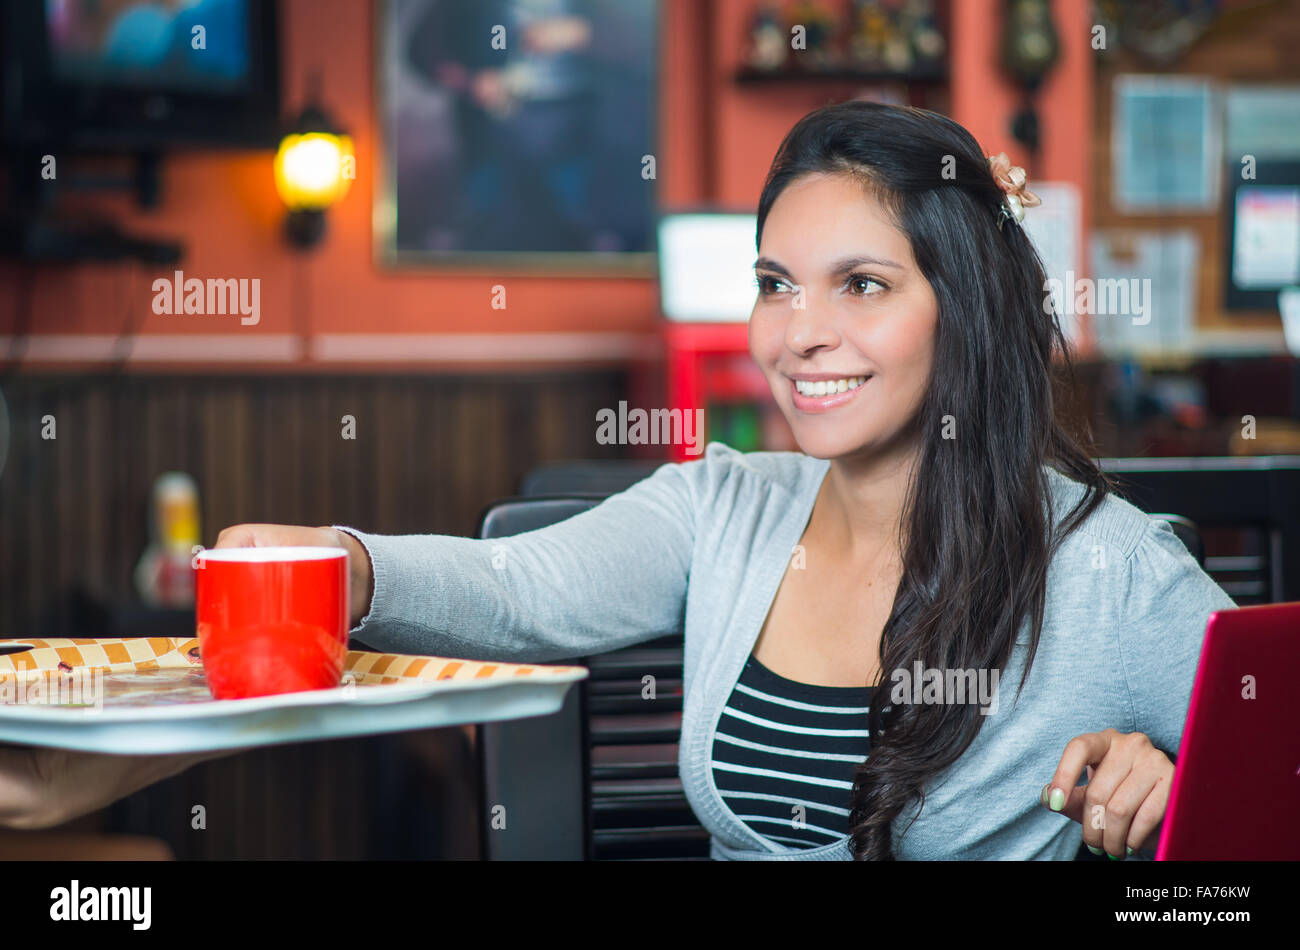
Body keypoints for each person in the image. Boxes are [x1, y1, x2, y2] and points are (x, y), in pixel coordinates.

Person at [0, 101, 1235, 860]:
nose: (797, 330)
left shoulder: (1108, 569)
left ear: (958, 311)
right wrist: (343, 555)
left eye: (860, 284)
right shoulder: (722, 506)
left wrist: (1178, 796)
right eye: (772, 281)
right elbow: (510, 589)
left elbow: (1271, 785)